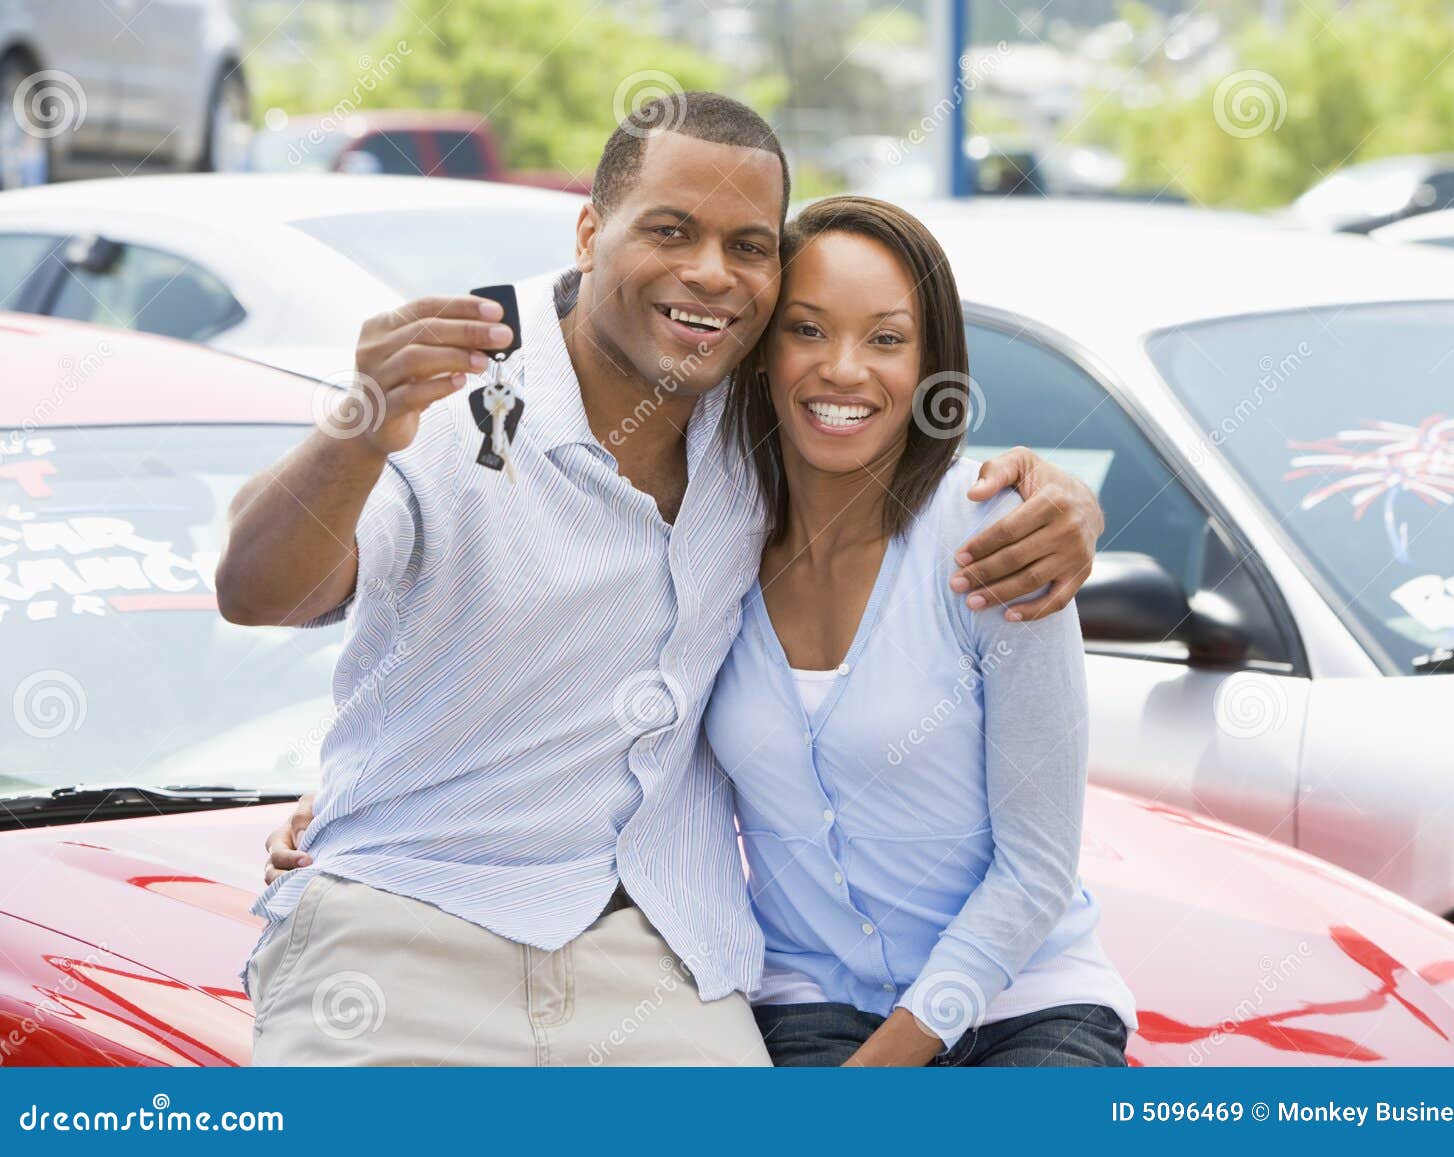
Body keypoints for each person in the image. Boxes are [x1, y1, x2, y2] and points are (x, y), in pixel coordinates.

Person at [230, 93, 1105, 1066]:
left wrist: (1069, 501)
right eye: (671, 230)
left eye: (746, 244)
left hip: (657, 960)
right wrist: (358, 425)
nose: (709, 273)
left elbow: (877, 415)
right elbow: (257, 589)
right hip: (406, 928)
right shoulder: (456, 391)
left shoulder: (756, 421)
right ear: (589, 231)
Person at [706, 196, 1136, 1066]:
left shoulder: (993, 536)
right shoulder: (706, 542)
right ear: (760, 350)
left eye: (887, 339)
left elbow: (1037, 869)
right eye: (807, 330)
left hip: (1024, 1001)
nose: (843, 369)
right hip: (810, 1000)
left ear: (930, 365)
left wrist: (887, 1065)